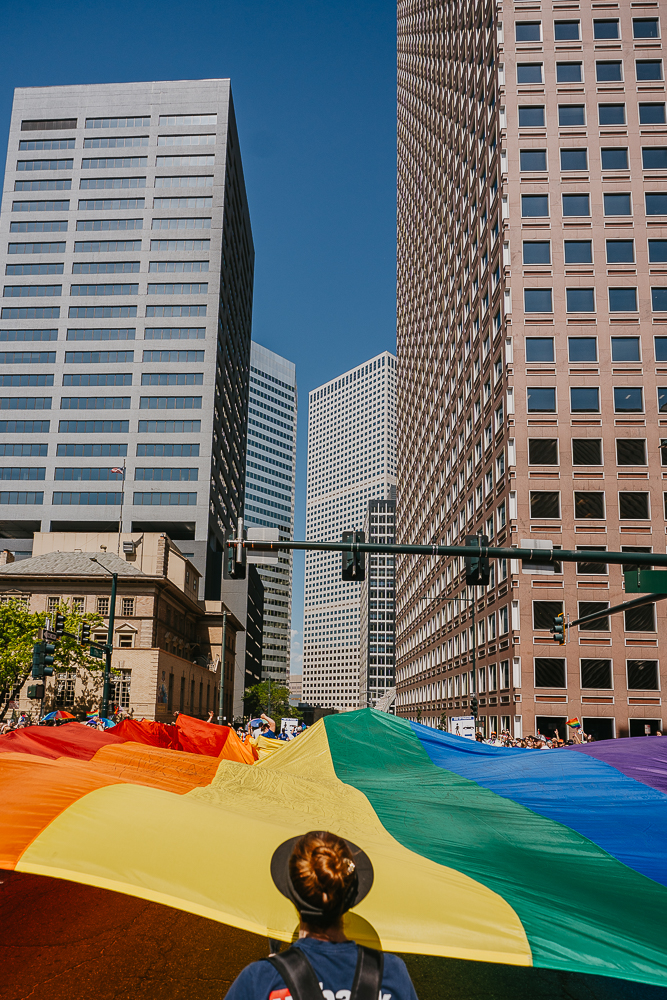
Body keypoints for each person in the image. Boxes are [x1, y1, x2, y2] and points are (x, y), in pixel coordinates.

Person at [225, 830, 419, 1000]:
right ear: (351, 897)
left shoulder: (260, 979)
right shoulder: (391, 974)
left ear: (293, 894)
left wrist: (275, 974)